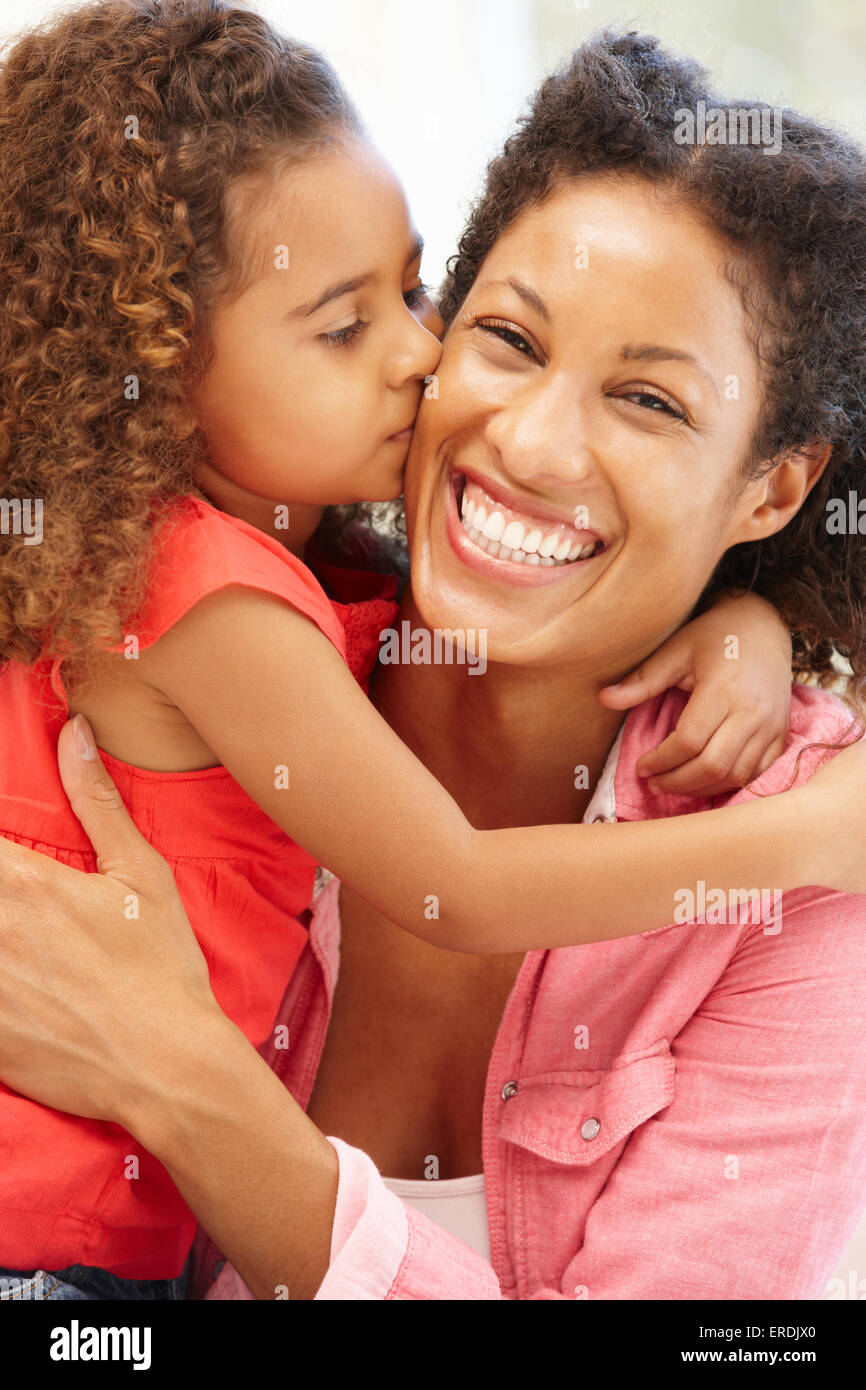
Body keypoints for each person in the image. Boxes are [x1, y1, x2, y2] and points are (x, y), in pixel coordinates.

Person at [1, 23, 865, 1300]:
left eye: (649, 400)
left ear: (774, 489)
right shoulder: (252, 622)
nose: (529, 442)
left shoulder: (805, 895)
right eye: (507, 337)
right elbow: (453, 884)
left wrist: (172, 1071)